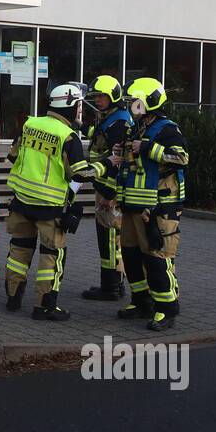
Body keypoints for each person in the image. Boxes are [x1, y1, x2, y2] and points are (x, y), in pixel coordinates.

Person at [3, 81, 105, 321]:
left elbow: (11, 155)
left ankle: (12, 298)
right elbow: (80, 174)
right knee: (51, 256)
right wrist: (106, 165)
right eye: (79, 105)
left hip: (21, 202)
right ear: (69, 106)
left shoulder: (29, 124)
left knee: (19, 250)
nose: (81, 111)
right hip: (49, 208)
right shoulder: (67, 136)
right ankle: (44, 307)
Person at [114, 77, 189, 331]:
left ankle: (166, 309)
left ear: (147, 102)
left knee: (158, 257)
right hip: (133, 205)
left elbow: (181, 158)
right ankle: (141, 301)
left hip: (159, 206)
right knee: (131, 255)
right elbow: (133, 164)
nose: (131, 105)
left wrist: (148, 148)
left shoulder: (168, 129)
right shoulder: (136, 128)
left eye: (134, 101)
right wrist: (121, 152)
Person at [80, 75, 133, 301]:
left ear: (113, 96)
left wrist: (111, 195)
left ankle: (110, 287)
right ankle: (115, 283)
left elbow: (119, 161)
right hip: (104, 188)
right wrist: (80, 127)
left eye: (101, 96)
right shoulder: (111, 118)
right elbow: (98, 138)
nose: (98, 100)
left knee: (109, 239)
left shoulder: (119, 122)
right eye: (95, 96)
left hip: (109, 191)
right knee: (111, 239)